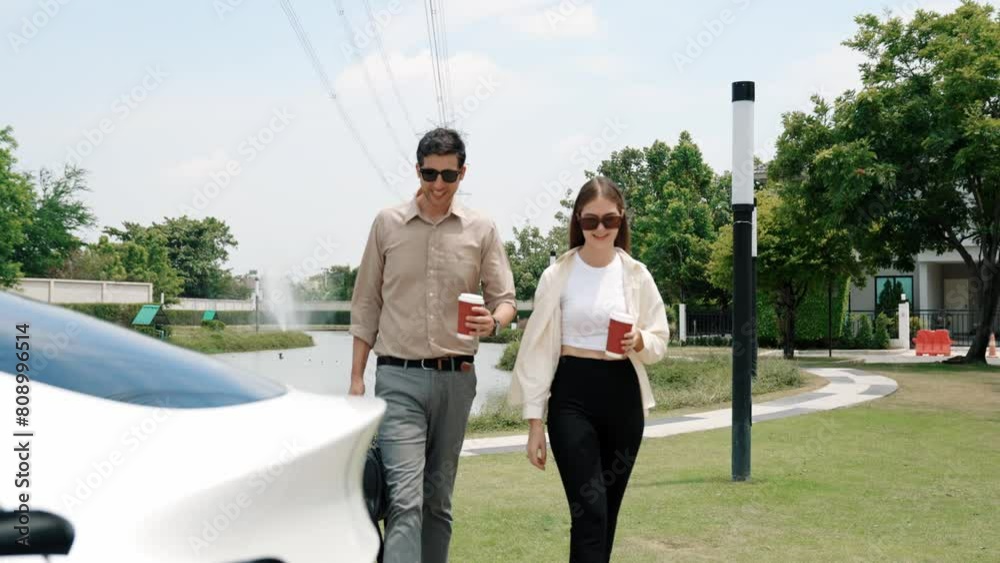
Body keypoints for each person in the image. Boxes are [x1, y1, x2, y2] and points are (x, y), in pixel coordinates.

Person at [350, 127, 518, 563]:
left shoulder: (481, 229)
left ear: (463, 173)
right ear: (417, 170)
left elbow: (506, 301)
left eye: (449, 175)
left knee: (437, 501)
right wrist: (355, 379)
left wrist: (493, 323)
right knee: (404, 501)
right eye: (430, 174)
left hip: (456, 381)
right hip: (397, 379)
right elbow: (366, 302)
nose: (439, 185)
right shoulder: (387, 224)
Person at [509, 176, 670, 563]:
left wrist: (640, 341)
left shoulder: (636, 274)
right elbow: (537, 353)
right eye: (590, 221)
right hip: (571, 397)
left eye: (609, 220)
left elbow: (660, 338)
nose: (600, 229)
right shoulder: (556, 276)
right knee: (590, 510)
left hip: (623, 396)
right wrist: (535, 423)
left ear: (622, 220)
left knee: (606, 515)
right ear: (577, 220)